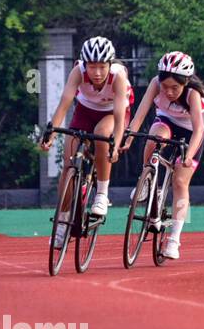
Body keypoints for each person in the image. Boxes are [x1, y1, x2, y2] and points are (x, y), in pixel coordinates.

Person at [39, 36, 134, 248]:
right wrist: (51, 134)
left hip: (112, 113)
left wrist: (116, 145)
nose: (97, 72)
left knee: (102, 135)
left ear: (110, 64)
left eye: (102, 66)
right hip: (85, 111)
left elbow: (119, 117)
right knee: (68, 164)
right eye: (92, 66)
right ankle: (62, 224)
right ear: (85, 64)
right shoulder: (77, 71)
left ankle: (101, 193)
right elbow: (65, 102)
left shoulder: (118, 76)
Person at [121, 51, 204, 260]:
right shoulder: (156, 83)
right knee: (154, 138)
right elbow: (141, 112)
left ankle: (174, 240)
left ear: (186, 83)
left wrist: (189, 156)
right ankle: (145, 180)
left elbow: (199, 131)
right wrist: (128, 138)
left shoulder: (193, 94)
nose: (169, 92)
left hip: (192, 131)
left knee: (180, 182)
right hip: (167, 121)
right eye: (165, 87)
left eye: (175, 88)